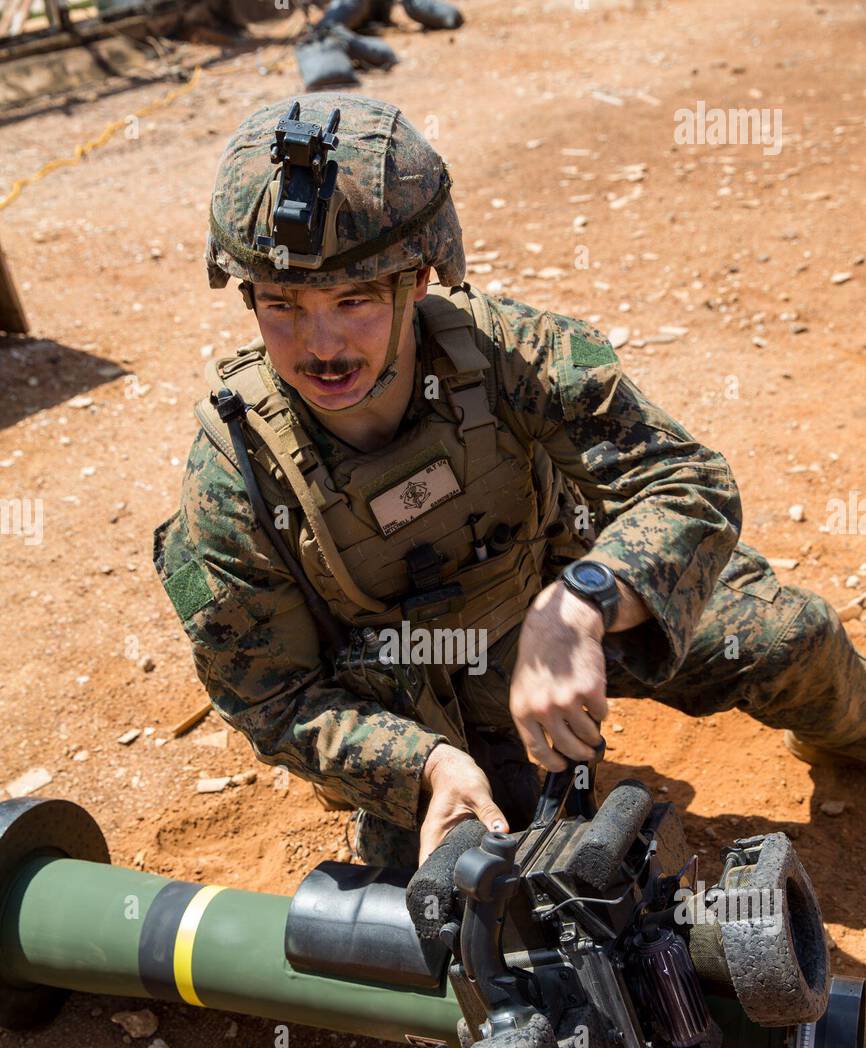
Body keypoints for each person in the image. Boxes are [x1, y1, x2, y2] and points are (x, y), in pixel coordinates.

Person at [153, 94, 866, 869]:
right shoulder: (233, 474)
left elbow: (685, 481)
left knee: (792, 636)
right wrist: (421, 766)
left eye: (353, 300)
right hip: (415, 705)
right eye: (282, 305)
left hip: (548, 604)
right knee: (484, 887)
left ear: (416, 280)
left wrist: (582, 602)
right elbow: (272, 699)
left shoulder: (502, 354)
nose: (320, 345)